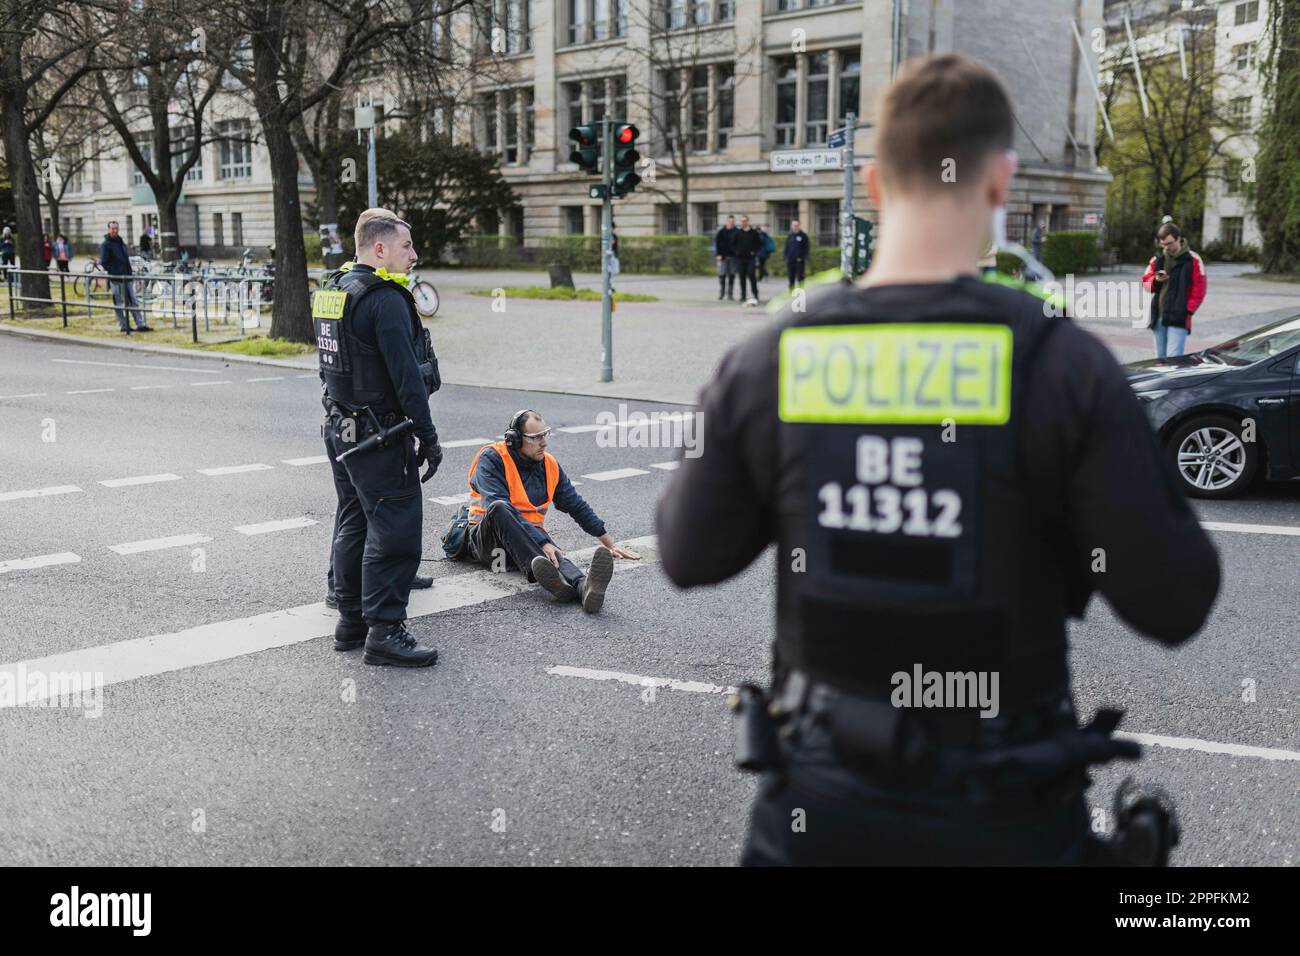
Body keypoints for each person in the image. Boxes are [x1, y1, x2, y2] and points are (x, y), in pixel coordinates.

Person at [655, 52, 1220, 866]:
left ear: (878, 184)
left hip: (816, 814)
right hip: (1006, 817)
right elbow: (1174, 601)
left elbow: (687, 554)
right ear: (1000, 181)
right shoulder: (1063, 366)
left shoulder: (771, 358)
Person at [318, 208, 444, 667]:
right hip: (381, 434)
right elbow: (407, 378)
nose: (414, 254)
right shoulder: (386, 298)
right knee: (394, 530)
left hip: (341, 427)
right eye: (406, 246)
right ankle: (385, 632)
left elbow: (329, 364)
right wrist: (428, 438)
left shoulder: (333, 289)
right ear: (379, 248)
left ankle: (350, 622)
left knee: (355, 519)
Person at [450, 409, 641, 612]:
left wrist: (609, 543)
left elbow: (576, 505)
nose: (544, 442)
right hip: (488, 545)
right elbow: (494, 503)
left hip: (524, 545)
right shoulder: (492, 459)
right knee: (501, 508)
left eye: (545, 434)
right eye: (535, 437)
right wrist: (542, 542)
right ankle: (548, 573)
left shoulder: (549, 464)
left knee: (551, 551)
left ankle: (581, 586)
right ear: (514, 439)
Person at [1142, 222, 1206, 360]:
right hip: (1159, 315)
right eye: (1163, 244)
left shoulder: (1193, 260)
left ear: (1178, 238)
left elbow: (1199, 289)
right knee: (1160, 358)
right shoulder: (1157, 259)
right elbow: (1146, 286)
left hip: (1179, 316)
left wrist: (1188, 310)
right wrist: (1156, 280)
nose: (1167, 248)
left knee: (1174, 359)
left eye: (1170, 243)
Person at [99, 221, 151, 333]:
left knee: (133, 301)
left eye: (116, 228)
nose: (115, 230)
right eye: (112, 228)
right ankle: (123, 325)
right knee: (118, 303)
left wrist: (129, 272)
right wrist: (115, 271)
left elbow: (125, 260)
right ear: (108, 229)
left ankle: (140, 324)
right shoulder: (106, 244)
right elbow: (104, 262)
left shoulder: (121, 242)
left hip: (127, 277)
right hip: (116, 279)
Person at [733, 215, 761, 306]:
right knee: (742, 277)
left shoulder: (754, 233)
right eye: (741, 221)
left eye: (744, 221)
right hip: (740, 259)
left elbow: (759, 244)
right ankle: (743, 295)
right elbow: (732, 244)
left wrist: (754, 252)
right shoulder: (738, 233)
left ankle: (755, 294)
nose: (743, 223)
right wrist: (736, 252)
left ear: (748, 222)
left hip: (750, 259)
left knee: (751, 275)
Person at [714, 215, 738, 301]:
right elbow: (717, 244)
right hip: (723, 257)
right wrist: (718, 254)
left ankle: (730, 294)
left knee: (732, 275)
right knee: (722, 275)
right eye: (729, 221)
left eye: (732, 221)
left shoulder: (737, 232)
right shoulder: (721, 232)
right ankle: (722, 293)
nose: (731, 223)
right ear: (726, 222)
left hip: (733, 257)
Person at [784, 220, 810, 290]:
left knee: (800, 277)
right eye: (794, 225)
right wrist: (786, 257)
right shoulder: (790, 235)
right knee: (791, 277)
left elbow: (806, 248)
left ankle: (801, 294)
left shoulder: (803, 236)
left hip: (799, 260)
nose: (795, 227)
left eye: (796, 225)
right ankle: (791, 294)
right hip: (790, 260)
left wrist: (802, 257)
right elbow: (786, 247)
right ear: (791, 226)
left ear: (799, 226)